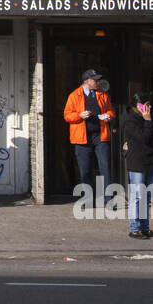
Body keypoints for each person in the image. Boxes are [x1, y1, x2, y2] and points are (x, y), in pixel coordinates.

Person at [63, 68, 114, 206]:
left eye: (98, 79)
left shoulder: (103, 95)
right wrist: (79, 116)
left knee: (105, 167)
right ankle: (89, 198)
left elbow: (110, 109)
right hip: (82, 137)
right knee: (85, 169)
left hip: (100, 135)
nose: (98, 82)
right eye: (95, 80)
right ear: (87, 81)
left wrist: (109, 116)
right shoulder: (74, 96)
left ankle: (108, 198)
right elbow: (67, 115)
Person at [121, 91, 153, 239]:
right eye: (147, 105)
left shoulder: (145, 118)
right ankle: (134, 228)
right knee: (137, 196)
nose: (150, 107)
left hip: (150, 161)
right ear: (139, 106)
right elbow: (144, 138)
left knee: (147, 196)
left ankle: (145, 227)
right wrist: (148, 121)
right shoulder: (131, 121)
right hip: (137, 162)